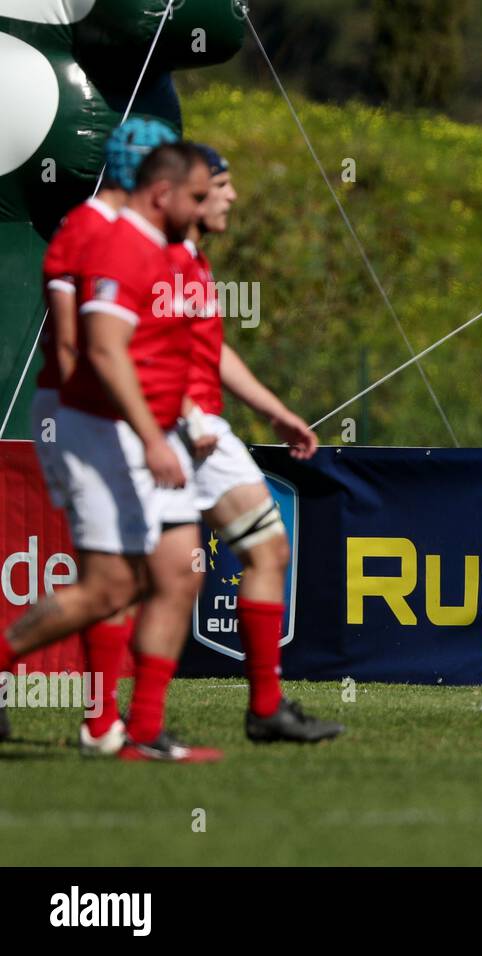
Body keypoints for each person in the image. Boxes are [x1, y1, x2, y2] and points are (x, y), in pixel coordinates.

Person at [0, 142, 221, 762]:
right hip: (101, 428)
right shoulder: (117, 244)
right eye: (198, 196)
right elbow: (96, 349)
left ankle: (138, 731)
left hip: (148, 431)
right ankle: (107, 726)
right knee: (106, 588)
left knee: (179, 570)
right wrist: (151, 436)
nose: (207, 207)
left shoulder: (171, 252)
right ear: (161, 193)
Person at [170, 143, 343, 743]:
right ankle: (116, 723)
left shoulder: (191, 260)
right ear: (188, 190)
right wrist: (187, 415)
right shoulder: (158, 257)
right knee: (121, 586)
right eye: (222, 184)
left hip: (202, 430)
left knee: (267, 549)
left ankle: (265, 708)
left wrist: (276, 413)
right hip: (172, 429)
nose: (233, 196)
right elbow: (139, 351)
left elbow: (209, 352)